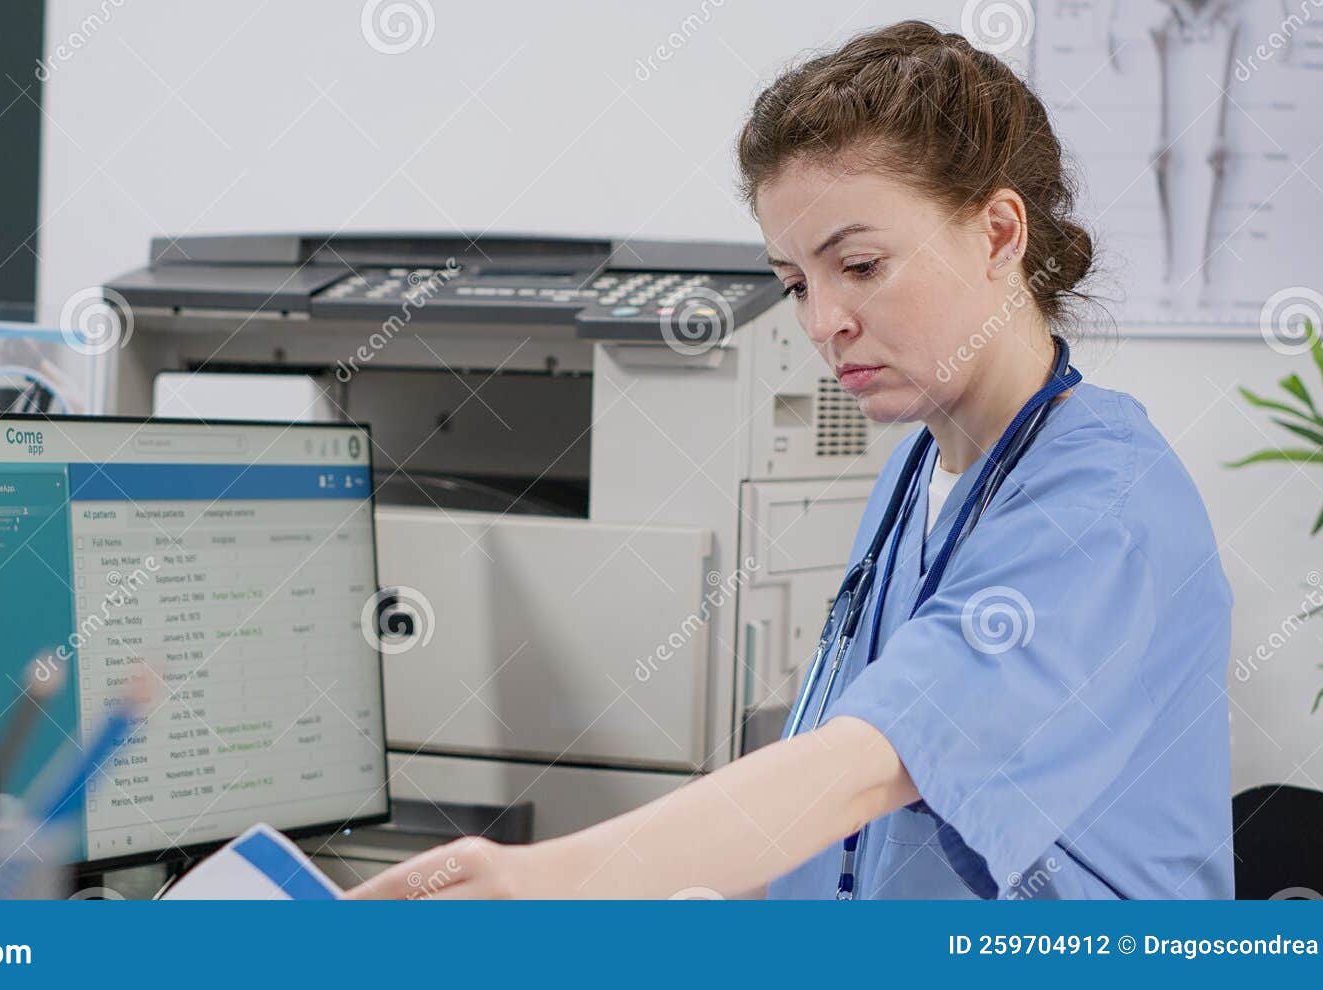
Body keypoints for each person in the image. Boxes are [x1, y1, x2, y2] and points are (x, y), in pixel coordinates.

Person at [347, 20, 1234, 900]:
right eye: (798, 283)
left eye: (860, 264)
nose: (822, 324)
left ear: (1000, 234)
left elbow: (873, 759)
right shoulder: (916, 473)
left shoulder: (1102, 505)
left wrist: (543, 881)